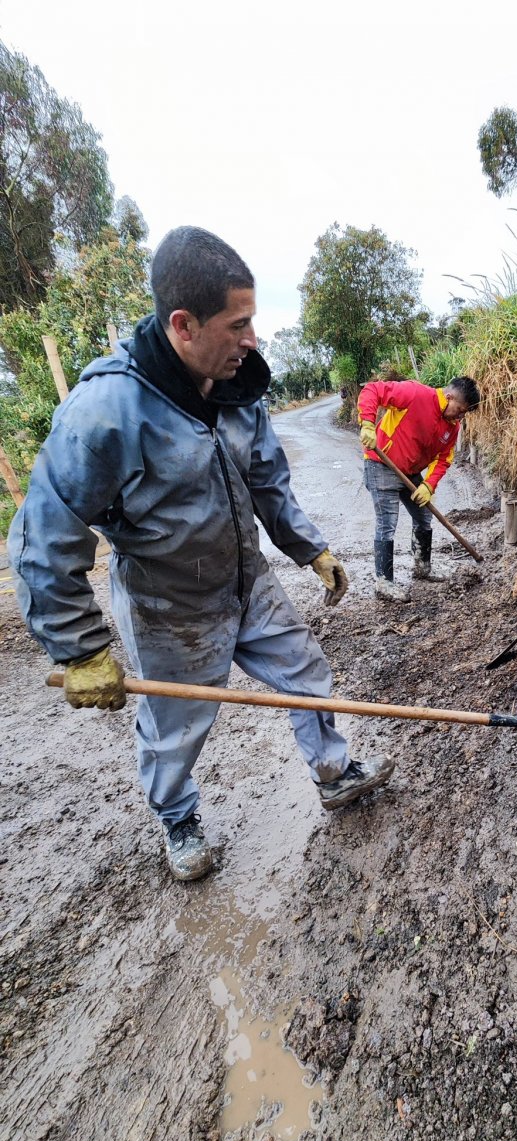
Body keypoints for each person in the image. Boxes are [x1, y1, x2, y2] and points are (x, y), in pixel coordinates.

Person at [9, 227, 394, 882]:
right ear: (184, 325)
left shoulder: (240, 387)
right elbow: (45, 535)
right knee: (176, 728)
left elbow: (268, 479)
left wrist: (311, 550)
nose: (252, 340)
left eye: (253, 322)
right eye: (238, 324)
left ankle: (334, 771)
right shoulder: (104, 413)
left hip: (247, 582)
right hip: (169, 607)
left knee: (306, 674)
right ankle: (177, 817)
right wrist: (78, 648)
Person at [357, 375, 481, 601]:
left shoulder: (452, 426)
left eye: (464, 413)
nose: (461, 416)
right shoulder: (416, 394)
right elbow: (373, 390)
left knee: (423, 517)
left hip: (410, 472)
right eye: (460, 409)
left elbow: (444, 459)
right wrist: (367, 423)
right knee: (387, 523)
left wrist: (428, 485)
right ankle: (384, 582)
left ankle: (422, 567)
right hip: (381, 463)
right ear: (449, 396)